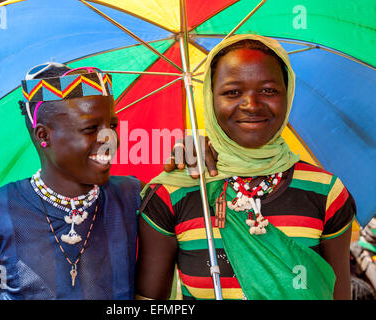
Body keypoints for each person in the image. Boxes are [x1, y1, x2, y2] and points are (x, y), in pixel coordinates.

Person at [136, 34, 356, 300]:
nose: (251, 105)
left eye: (268, 90)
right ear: (210, 99)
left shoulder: (326, 192)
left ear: (288, 96)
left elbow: (337, 294)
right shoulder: (173, 193)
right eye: (232, 92)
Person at [0, 64, 141, 299]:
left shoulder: (135, 199)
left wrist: (186, 156)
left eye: (112, 126)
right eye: (91, 128)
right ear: (43, 135)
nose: (109, 139)